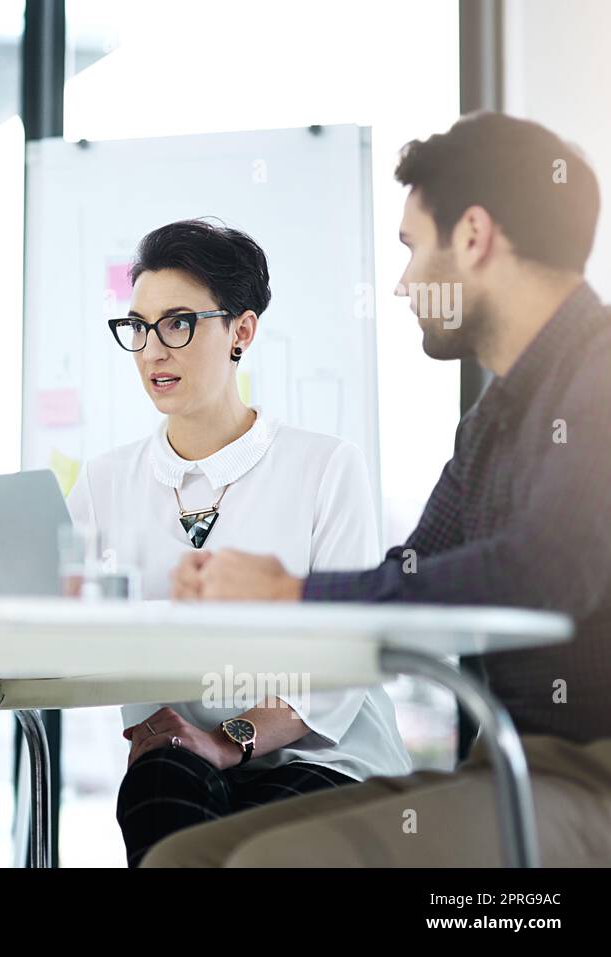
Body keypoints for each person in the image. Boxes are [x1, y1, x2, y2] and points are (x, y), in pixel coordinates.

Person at [151, 111, 611, 867]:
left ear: (472, 236)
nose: (401, 285)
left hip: (588, 777)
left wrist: (291, 593)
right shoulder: (494, 416)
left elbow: (544, 572)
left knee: (274, 863)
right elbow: (412, 573)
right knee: (182, 858)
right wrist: (268, 594)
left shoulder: (598, 375)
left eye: (410, 247)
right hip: (507, 769)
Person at [67, 219, 411, 867]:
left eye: (178, 323)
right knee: (157, 792)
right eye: (137, 326)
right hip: (181, 751)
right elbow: (57, 609)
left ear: (241, 332)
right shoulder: (106, 480)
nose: (152, 350)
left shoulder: (327, 467)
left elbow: (343, 664)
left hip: (322, 755)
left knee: (269, 843)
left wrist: (229, 739)